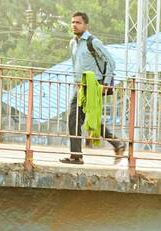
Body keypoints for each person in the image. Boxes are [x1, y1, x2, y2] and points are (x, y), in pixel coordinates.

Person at [62, 11, 125, 166]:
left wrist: (105, 83)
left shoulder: (93, 42)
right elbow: (75, 64)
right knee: (89, 119)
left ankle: (77, 156)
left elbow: (111, 62)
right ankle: (117, 144)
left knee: (74, 118)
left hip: (93, 85)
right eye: (72, 22)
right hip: (80, 87)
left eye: (78, 22)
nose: (74, 25)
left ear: (85, 25)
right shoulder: (73, 43)